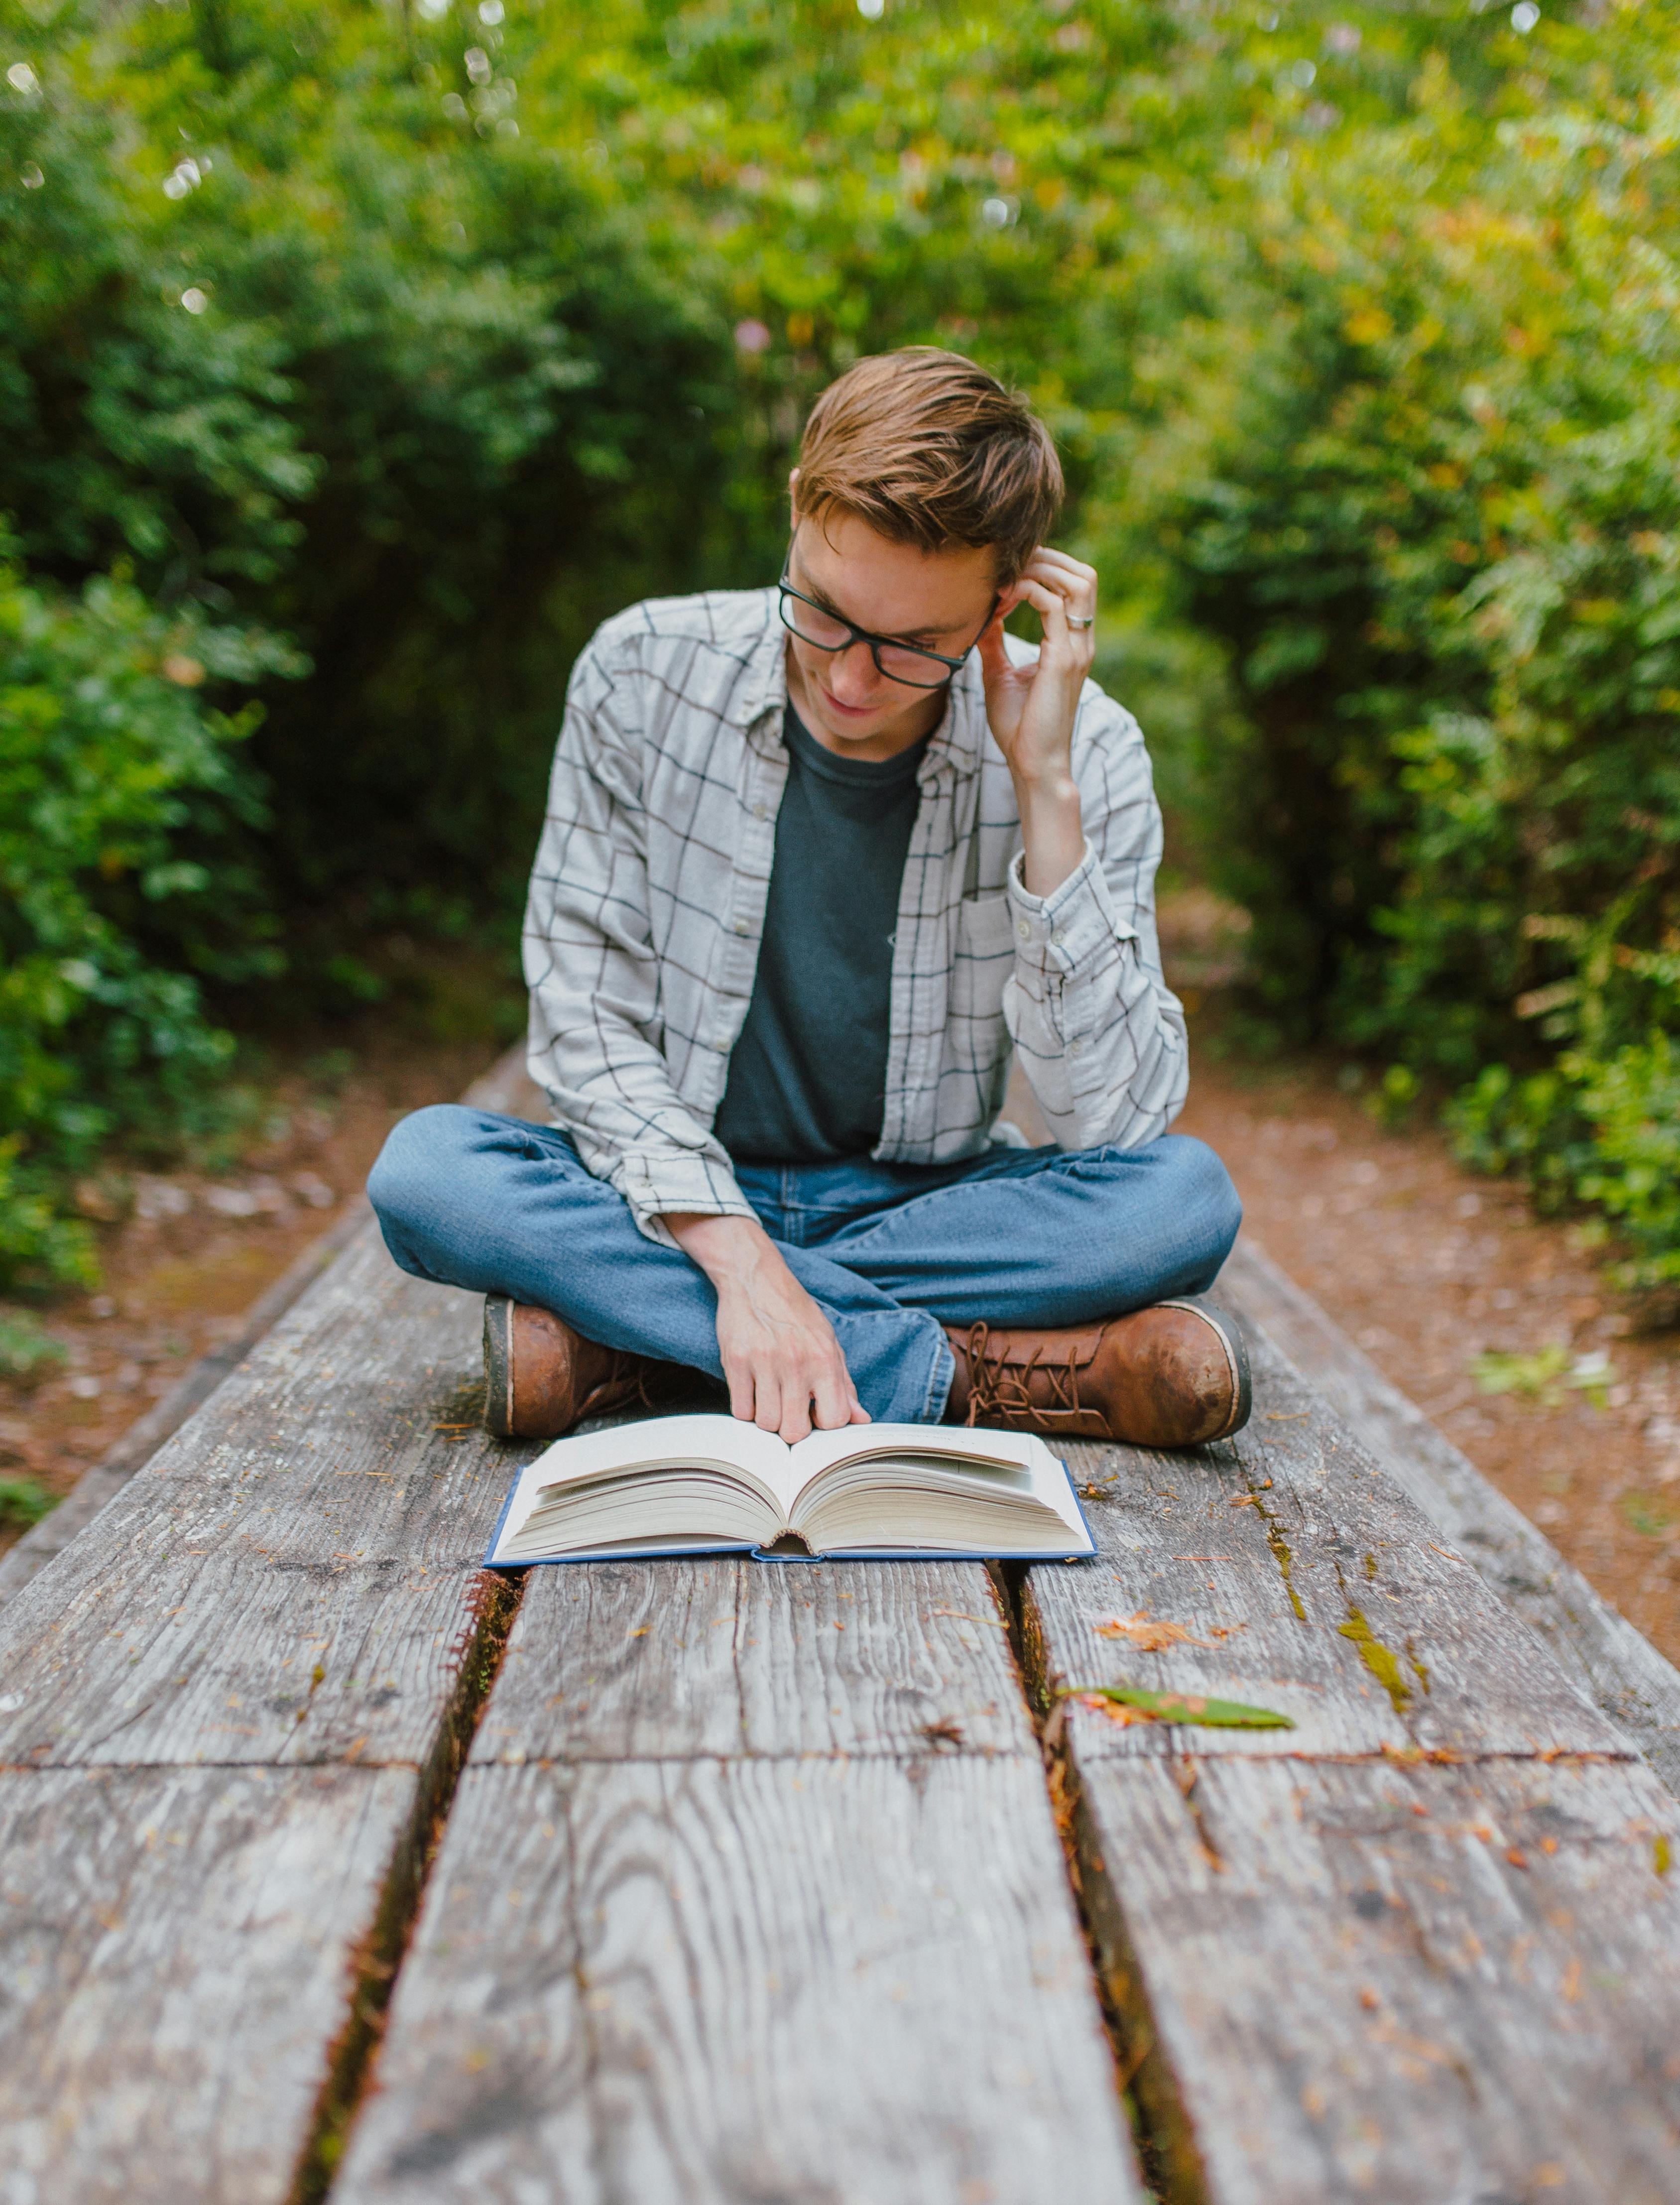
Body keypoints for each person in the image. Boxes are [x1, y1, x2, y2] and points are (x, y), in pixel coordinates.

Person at [368, 347, 1248, 1450]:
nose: (847, 679)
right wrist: (737, 1259)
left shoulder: (1087, 747)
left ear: (1004, 599)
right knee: (432, 1174)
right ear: (798, 508)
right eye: (823, 611)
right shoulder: (638, 673)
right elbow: (585, 1028)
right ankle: (963, 1375)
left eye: (914, 647)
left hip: (926, 1206)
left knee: (1183, 1201)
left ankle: (634, 1352)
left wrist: (1045, 788)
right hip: (671, 1197)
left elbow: (1111, 1125)